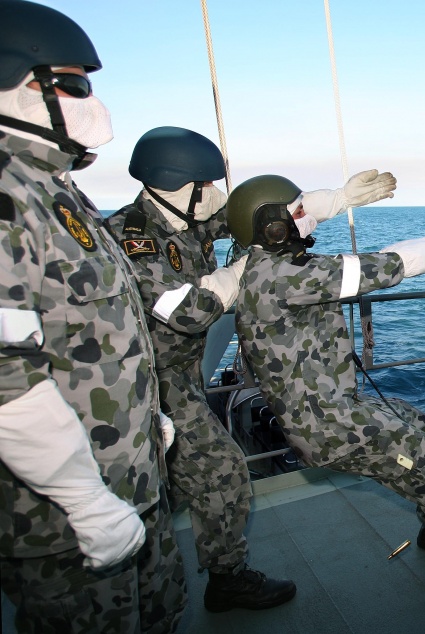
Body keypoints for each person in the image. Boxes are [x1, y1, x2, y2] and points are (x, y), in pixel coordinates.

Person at [227, 174, 425, 625]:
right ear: (272, 227)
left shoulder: (260, 267)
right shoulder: (286, 276)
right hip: (330, 425)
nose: (306, 214)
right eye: (296, 211)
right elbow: (392, 265)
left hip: (335, 407)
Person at [0, 2, 186, 632]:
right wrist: (83, 500)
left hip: (130, 477)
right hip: (65, 519)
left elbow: (95, 330)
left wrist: (143, 415)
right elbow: (5, 379)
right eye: (73, 85)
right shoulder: (7, 197)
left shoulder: (57, 191)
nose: (92, 101)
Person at [104, 126, 299, 613]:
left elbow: (251, 218)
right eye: (206, 185)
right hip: (148, 387)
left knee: (200, 482)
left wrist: (331, 199)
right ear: (178, 185)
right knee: (214, 475)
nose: (215, 194)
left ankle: (222, 577)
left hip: (182, 379)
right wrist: (237, 275)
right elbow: (188, 312)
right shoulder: (134, 236)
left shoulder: (186, 219)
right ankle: (208, 584)